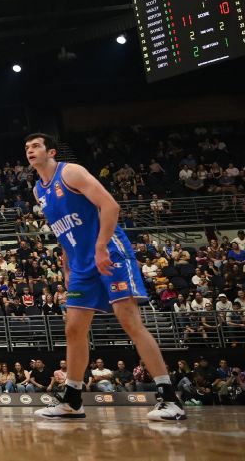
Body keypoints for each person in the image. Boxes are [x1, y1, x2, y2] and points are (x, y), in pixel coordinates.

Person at [24, 133, 184, 421]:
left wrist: (100, 247)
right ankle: (72, 400)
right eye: (27, 148)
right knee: (73, 328)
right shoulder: (38, 190)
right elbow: (62, 229)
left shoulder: (70, 172)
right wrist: (66, 262)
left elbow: (110, 205)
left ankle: (169, 398)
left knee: (130, 322)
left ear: (51, 152)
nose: (30, 151)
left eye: (35, 146)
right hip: (81, 264)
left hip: (109, 251)